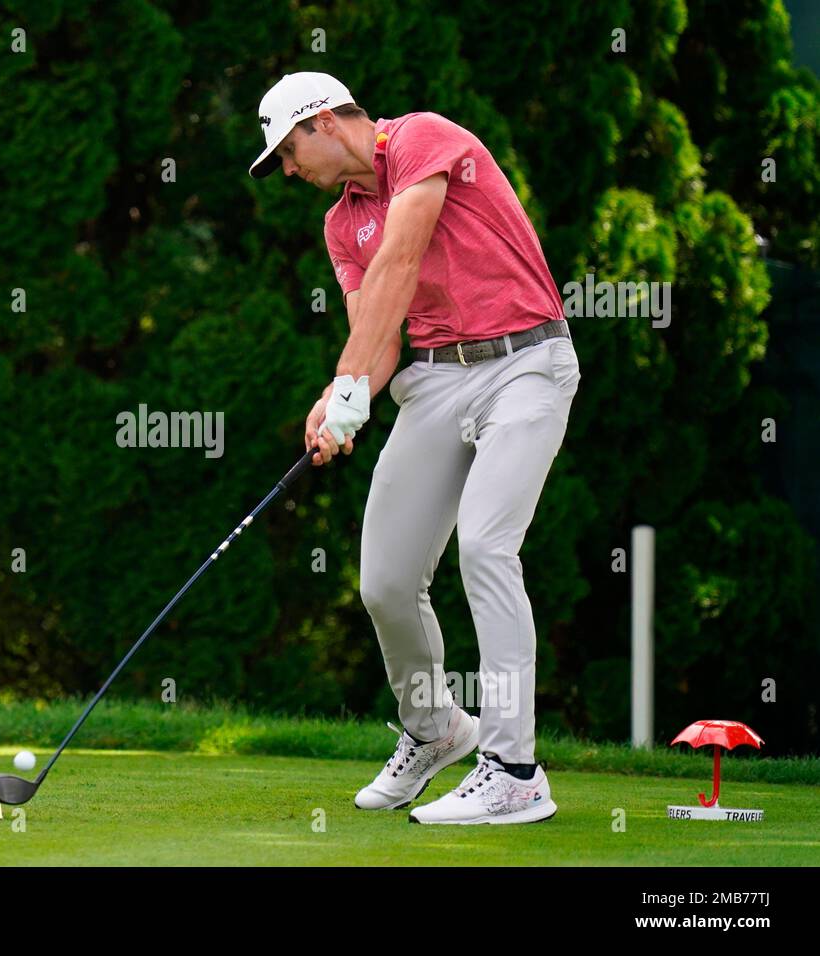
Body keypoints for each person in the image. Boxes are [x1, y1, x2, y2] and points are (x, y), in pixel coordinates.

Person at [248, 73, 580, 824]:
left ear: (326, 121)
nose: (290, 170)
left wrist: (346, 387)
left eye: (290, 151)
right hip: (432, 381)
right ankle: (435, 731)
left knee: (488, 548)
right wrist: (341, 397)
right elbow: (381, 338)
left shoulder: (424, 139)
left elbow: (402, 261)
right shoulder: (339, 227)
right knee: (387, 582)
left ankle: (514, 768)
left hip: (526, 363)